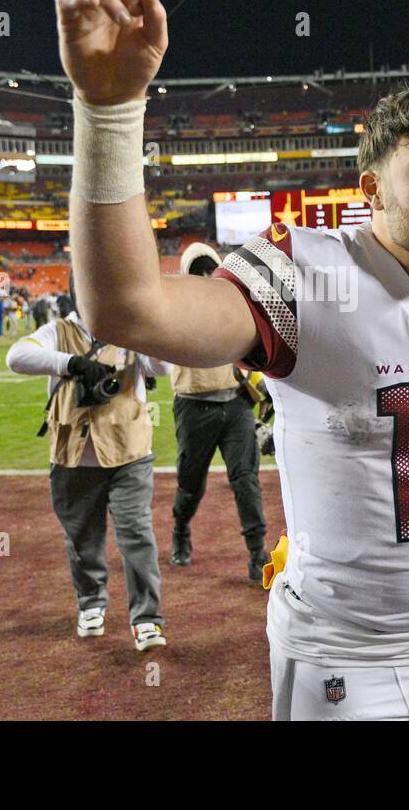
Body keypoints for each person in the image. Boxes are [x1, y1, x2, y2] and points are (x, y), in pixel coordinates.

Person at [55, 0, 409, 719]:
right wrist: (110, 110)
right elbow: (128, 310)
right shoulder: (308, 275)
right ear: (370, 192)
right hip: (346, 652)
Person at [5, 291, 172, 651]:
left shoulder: (130, 330)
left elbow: (162, 368)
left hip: (129, 452)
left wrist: (150, 330)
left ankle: (146, 619)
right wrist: (74, 364)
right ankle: (91, 603)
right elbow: (17, 356)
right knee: (83, 538)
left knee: (137, 535)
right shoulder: (59, 330)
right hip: (72, 455)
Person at [166, 242, 269, 583]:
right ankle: (181, 528)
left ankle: (257, 552)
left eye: (210, 270)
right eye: (198, 272)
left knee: (245, 479)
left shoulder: (233, 303)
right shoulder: (175, 307)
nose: (206, 277)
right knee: (191, 483)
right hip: (195, 405)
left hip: (236, 402)